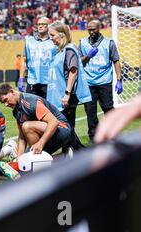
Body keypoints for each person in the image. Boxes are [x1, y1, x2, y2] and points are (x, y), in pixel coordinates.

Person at [46, 21, 92, 151]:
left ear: (61, 35)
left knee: (66, 127)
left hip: (67, 95)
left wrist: (66, 94)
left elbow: (73, 71)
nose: (51, 38)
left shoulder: (69, 49)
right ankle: (77, 152)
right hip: (59, 94)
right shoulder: (59, 51)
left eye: (52, 35)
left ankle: (72, 153)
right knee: (66, 127)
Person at [0, 84, 72, 157]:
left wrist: (40, 143)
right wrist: (19, 158)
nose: (6, 104)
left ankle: (38, 158)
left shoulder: (31, 102)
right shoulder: (16, 111)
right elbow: (22, 136)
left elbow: (54, 122)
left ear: (12, 92)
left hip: (62, 129)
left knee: (27, 126)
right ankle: (64, 157)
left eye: (5, 100)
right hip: (48, 133)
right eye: (3, 103)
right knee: (26, 158)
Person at [79, 20, 123, 142]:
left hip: (104, 82)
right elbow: (78, 62)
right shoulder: (82, 43)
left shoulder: (109, 43)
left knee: (108, 109)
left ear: (99, 28)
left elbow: (116, 61)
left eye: (94, 29)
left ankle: (113, 133)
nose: (91, 31)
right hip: (88, 83)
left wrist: (119, 80)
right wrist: (88, 55)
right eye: (89, 29)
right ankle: (94, 137)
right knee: (90, 112)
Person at [18, 17, 56, 98]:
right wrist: (21, 79)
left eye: (43, 24)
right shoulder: (29, 41)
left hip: (49, 82)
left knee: (48, 109)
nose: (40, 26)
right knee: (31, 109)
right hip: (32, 81)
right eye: (38, 24)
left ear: (49, 26)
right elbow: (24, 60)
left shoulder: (54, 41)